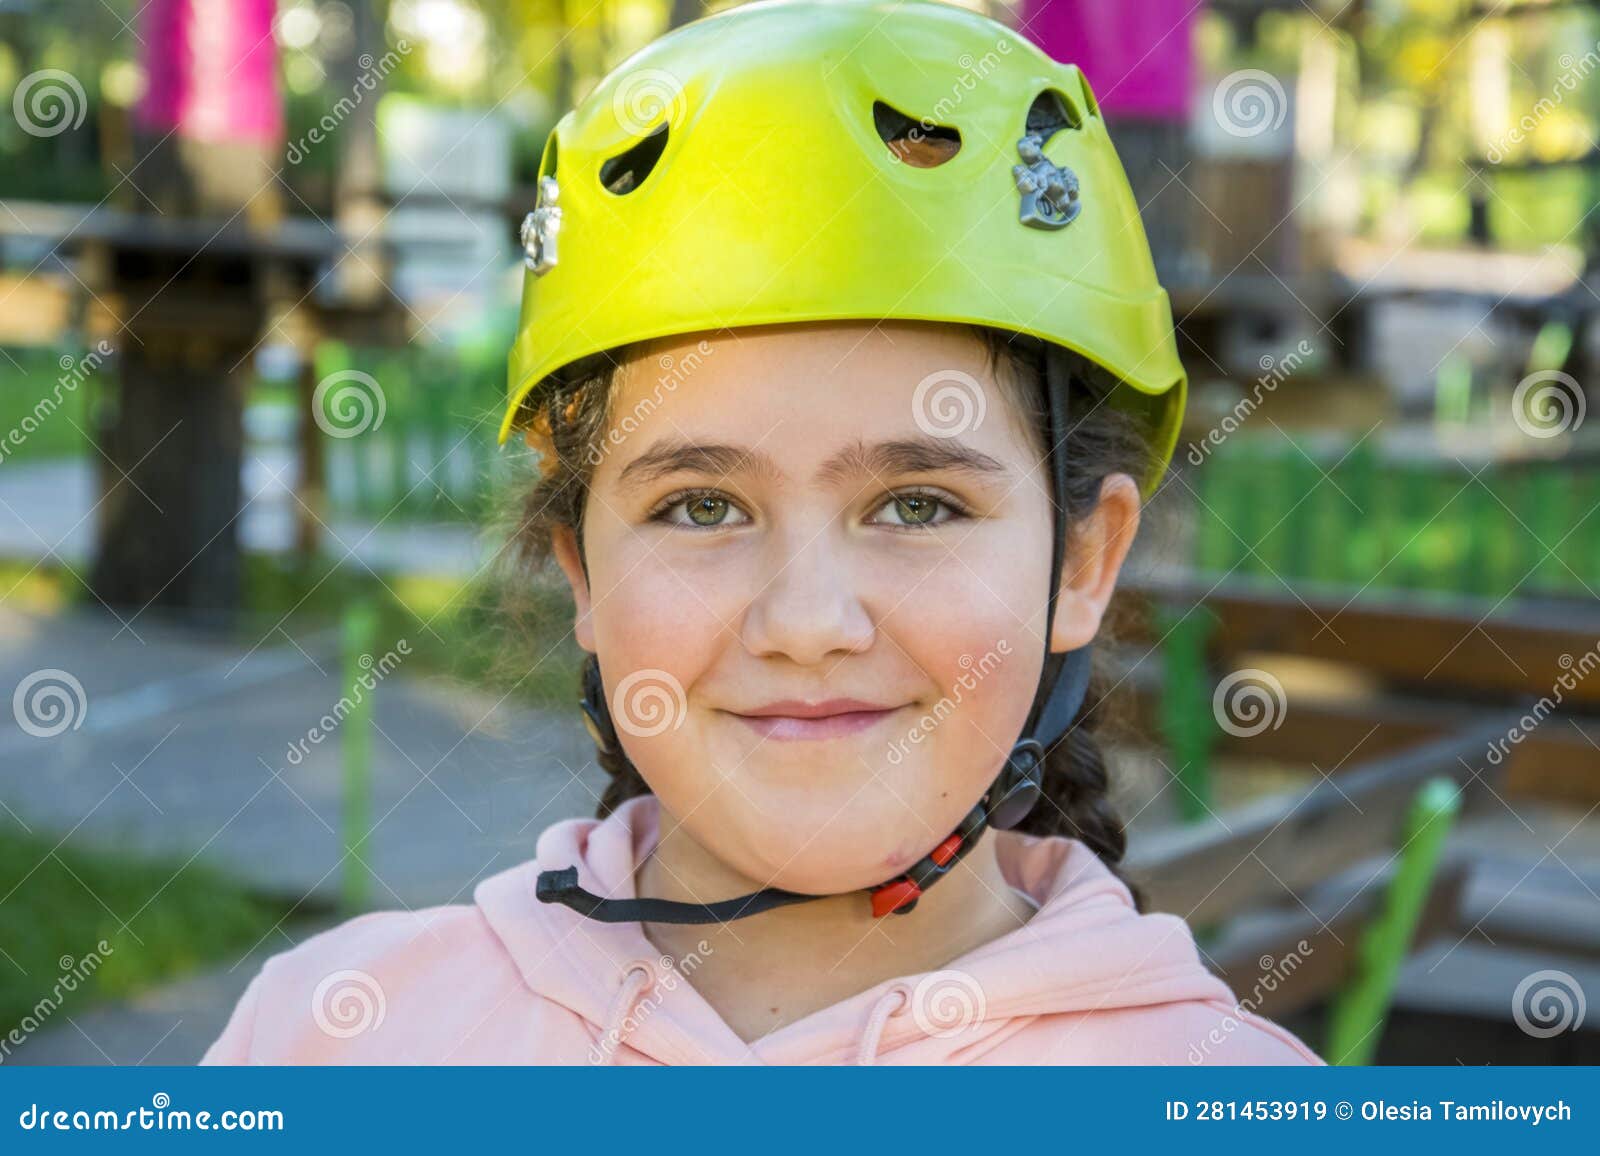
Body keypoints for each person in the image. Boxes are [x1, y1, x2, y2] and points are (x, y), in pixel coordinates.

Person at [202, 0, 1321, 1065]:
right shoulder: (328, 1043)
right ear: (580, 570)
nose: (805, 622)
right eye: (701, 507)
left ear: (1082, 560)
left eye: (916, 505)